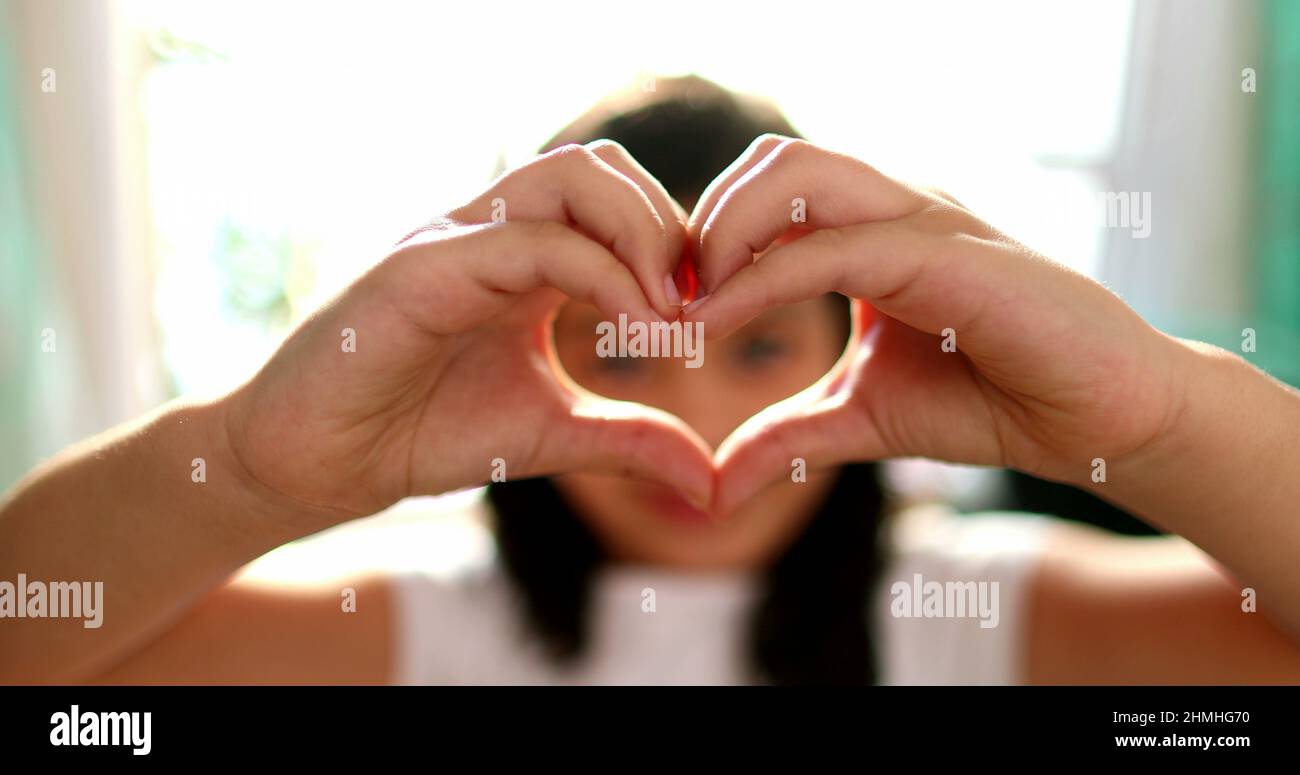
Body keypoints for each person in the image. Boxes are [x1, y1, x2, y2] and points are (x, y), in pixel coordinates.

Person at [2, 76, 1299, 685]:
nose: (693, 424)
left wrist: (1166, 419)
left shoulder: (998, 615)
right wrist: (247, 468)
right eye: (619, 349)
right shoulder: (410, 624)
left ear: (850, 344)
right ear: (525, 357)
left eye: (754, 345)